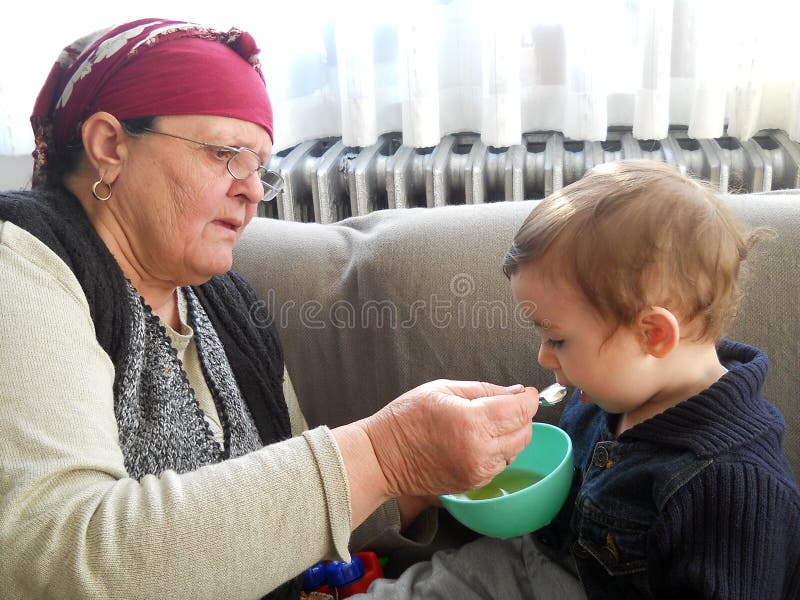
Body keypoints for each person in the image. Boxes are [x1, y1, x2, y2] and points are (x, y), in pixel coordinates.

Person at [0, 18, 541, 599]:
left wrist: (425, 479)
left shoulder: (226, 303)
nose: (252, 190)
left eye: (260, 167)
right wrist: (386, 454)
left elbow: (281, 511)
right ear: (110, 146)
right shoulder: (21, 264)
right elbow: (54, 562)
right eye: (228, 155)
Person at [358, 161, 800, 599]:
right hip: (536, 560)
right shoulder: (608, 392)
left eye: (557, 339)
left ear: (654, 335)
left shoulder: (731, 486)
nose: (543, 356)